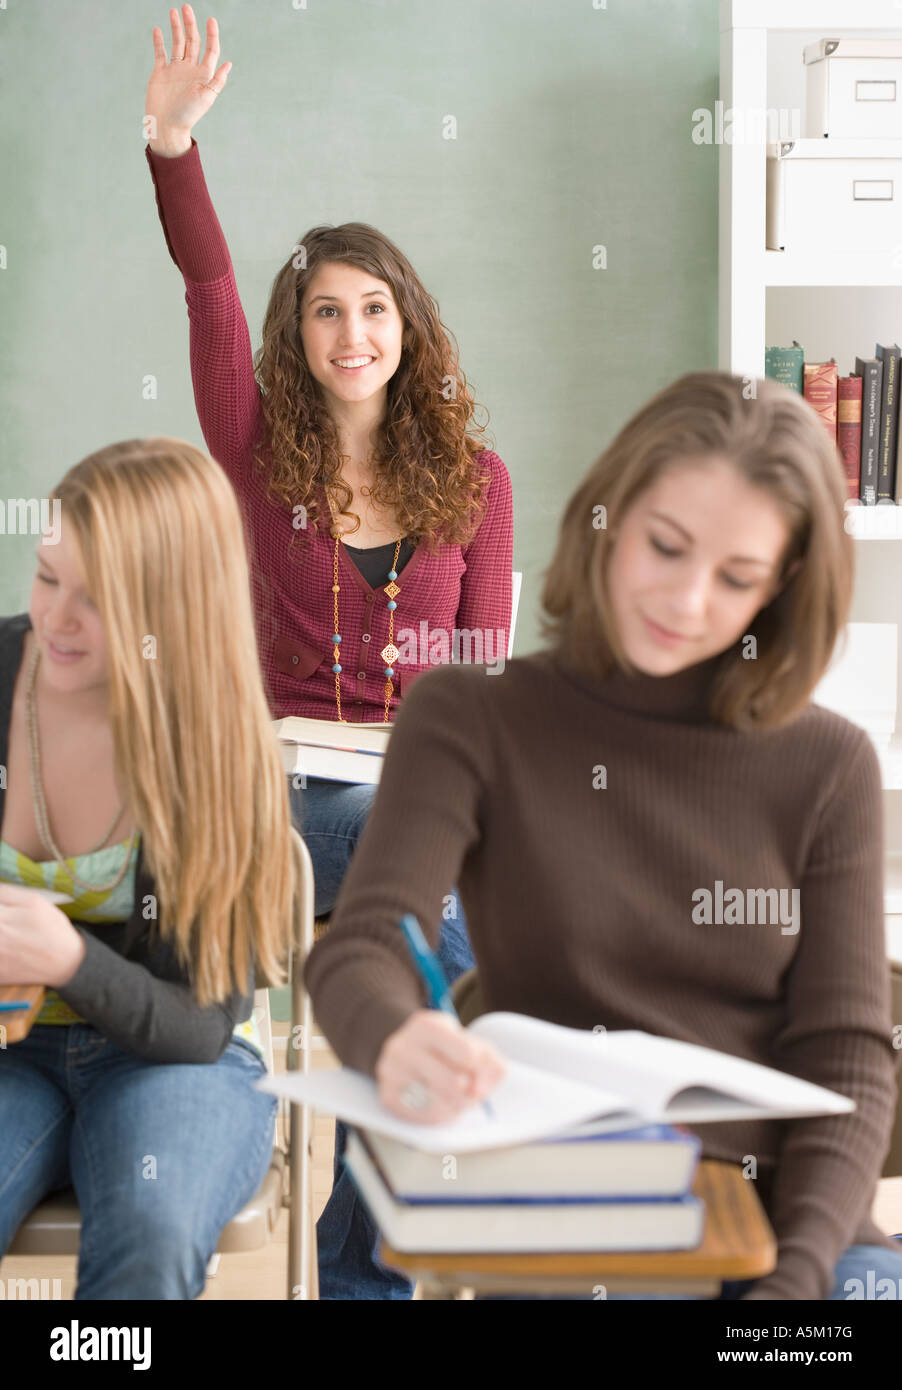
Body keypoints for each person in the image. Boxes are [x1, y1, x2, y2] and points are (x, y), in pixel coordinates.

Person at [306, 371, 902, 1300]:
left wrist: (790, 1287)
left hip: (795, 1233)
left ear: (782, 587)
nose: (688, 600)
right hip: (575, 1210)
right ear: (611, 516)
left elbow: (848, 1054)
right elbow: (366, 943)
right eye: (665, 546)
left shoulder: (829, 766)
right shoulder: (471, 719)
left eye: (737, 577)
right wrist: (395, 1038)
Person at [142, 5, 512, 1297]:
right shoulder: (255, 453)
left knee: (403, 926)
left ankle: (364, 1273)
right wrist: (171, 146)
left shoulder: (476, 481)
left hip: (423, 804)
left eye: (371, 309)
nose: (349, 333)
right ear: (297, 342)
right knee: (418, 911)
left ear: (405, 324)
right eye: (322, 315)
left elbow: (481, 683)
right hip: (288, 797)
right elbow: (207, 289)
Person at [0, 439, 296, 1299]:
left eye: (97, 599)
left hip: (176, 1058)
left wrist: (67, 960)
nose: (56, 619)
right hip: (13, 1052)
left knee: (151, 1234)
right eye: (49, 576)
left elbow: (200, 1025)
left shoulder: (225, 755)